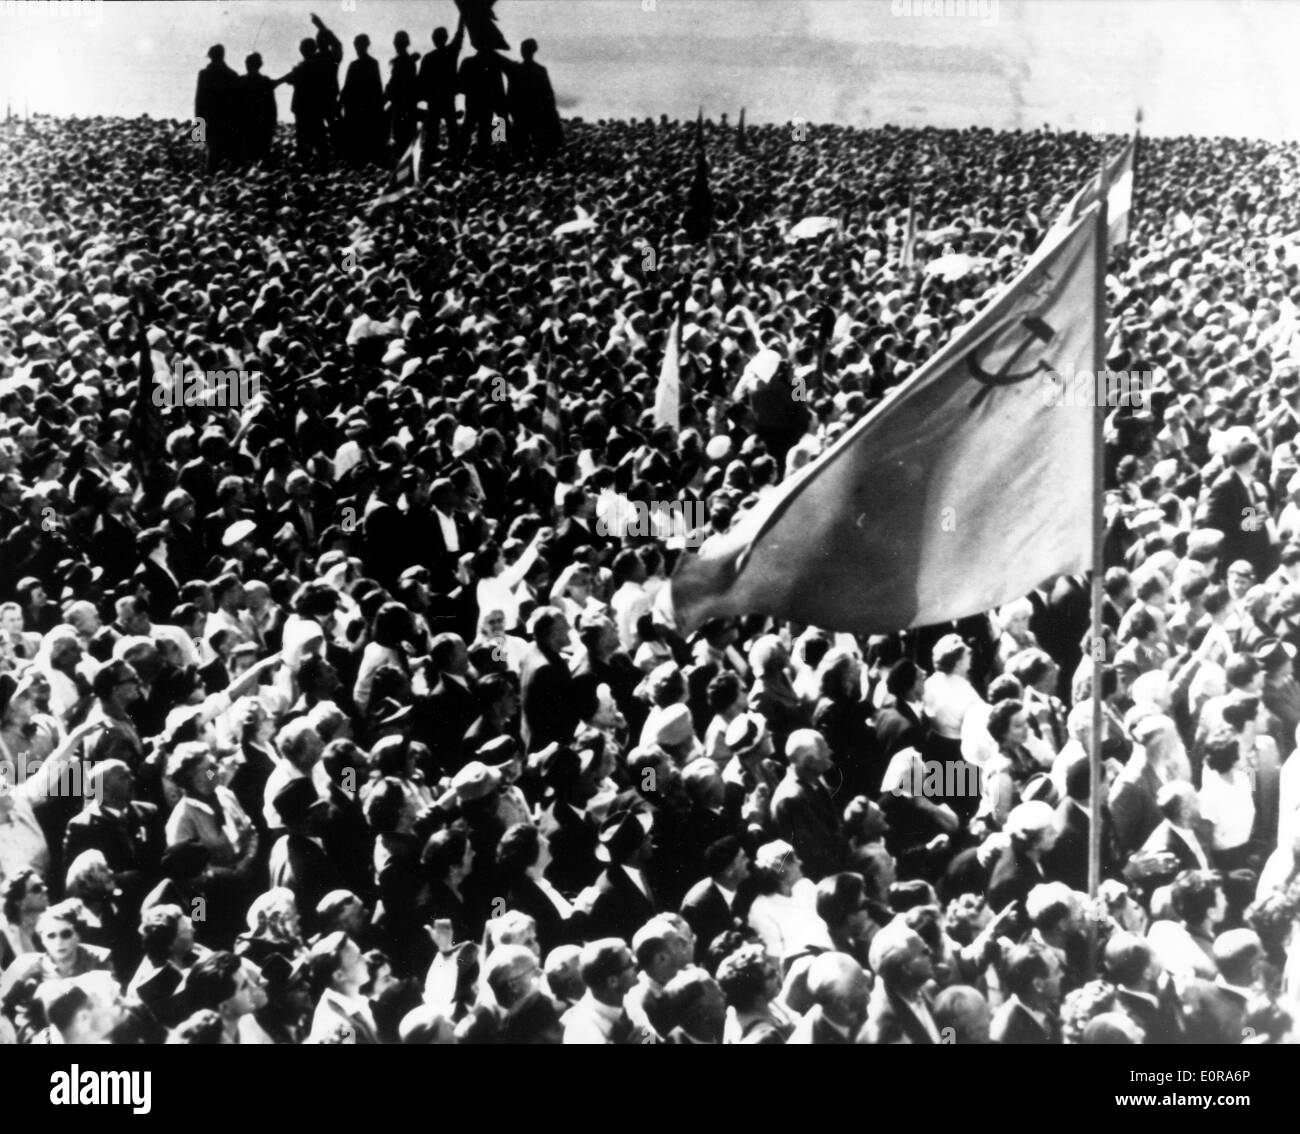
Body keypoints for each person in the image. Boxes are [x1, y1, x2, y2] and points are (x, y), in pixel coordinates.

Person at [417, 17, 465, 160]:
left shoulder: (428, 58)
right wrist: (462, 17)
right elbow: (460, 35)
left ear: (434, 39)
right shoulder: (451, 52)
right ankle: (453, 155)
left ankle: (432, 155)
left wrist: (424, 97)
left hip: (434, 100)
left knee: (433, 130)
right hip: (448, 98)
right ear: (445, 38)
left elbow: (421, 82)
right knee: (452, 129)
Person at [194, 45, 239, 173]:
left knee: (212, 160)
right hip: (229, 124)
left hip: (211, 123)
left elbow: (199, 102)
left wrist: (198, 132)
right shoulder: (232, 74)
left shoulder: (204, 74)